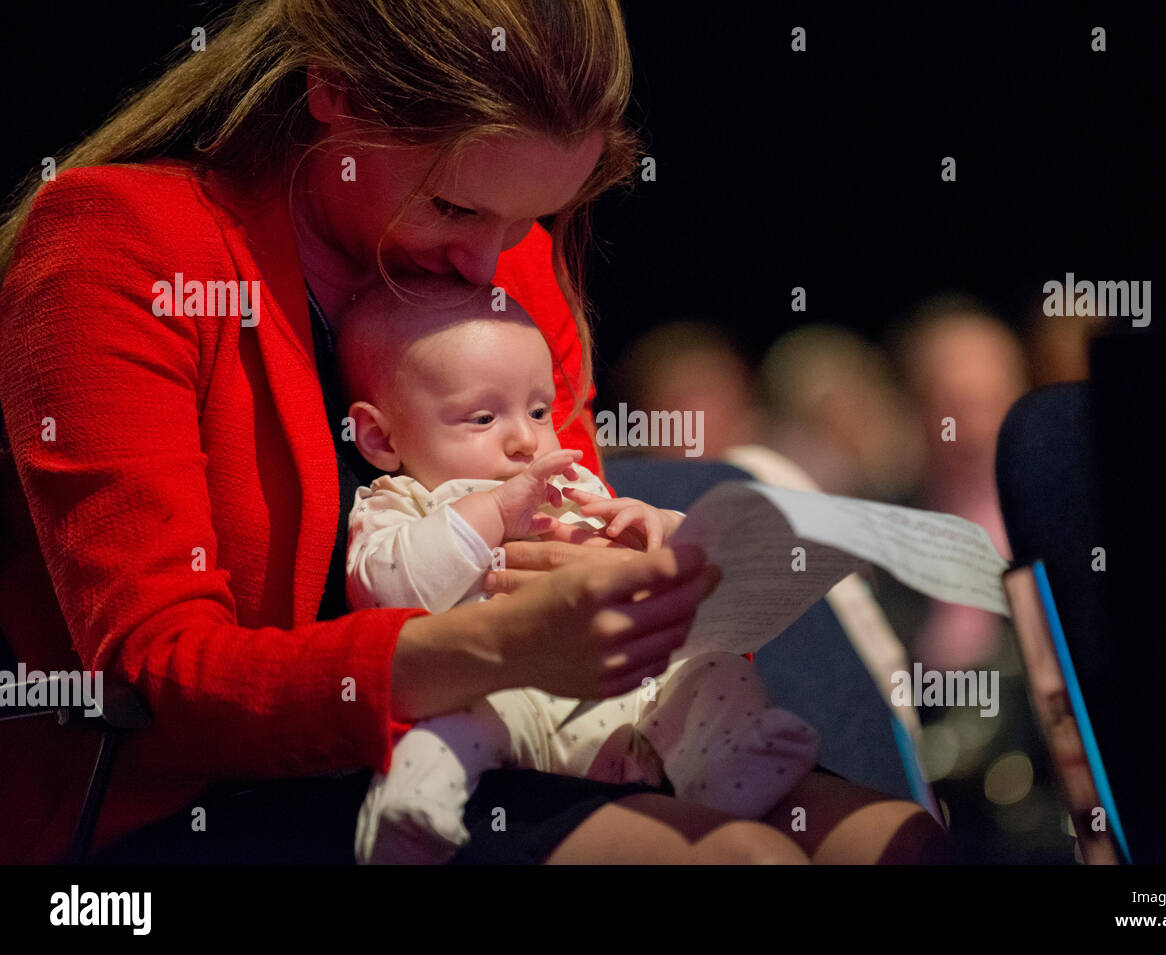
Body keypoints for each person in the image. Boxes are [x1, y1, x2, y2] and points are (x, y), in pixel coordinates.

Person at [0, 0, 949, 865]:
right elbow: (159, 675)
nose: (490, 260)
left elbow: (561, 522)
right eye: (455, 206)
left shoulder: (510, 258)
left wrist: (630, 575)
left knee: (897, 843)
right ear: (332, 91)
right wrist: (503, 647)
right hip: (216, 802)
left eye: (532, 217)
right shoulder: (118, 243)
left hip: (525, 731)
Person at [335, 277, 820, 863]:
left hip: (623, 703)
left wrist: (652, 525)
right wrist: (488, 512)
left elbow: (641, 554)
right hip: (503, 703)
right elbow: (383, 590)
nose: (525, 439)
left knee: (711, 672)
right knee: (447, 730)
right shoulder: (400, 502)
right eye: (484, 417)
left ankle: (728, 766)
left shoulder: (569, 484)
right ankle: (415, 814)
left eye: (539, 410)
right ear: (380, 437)